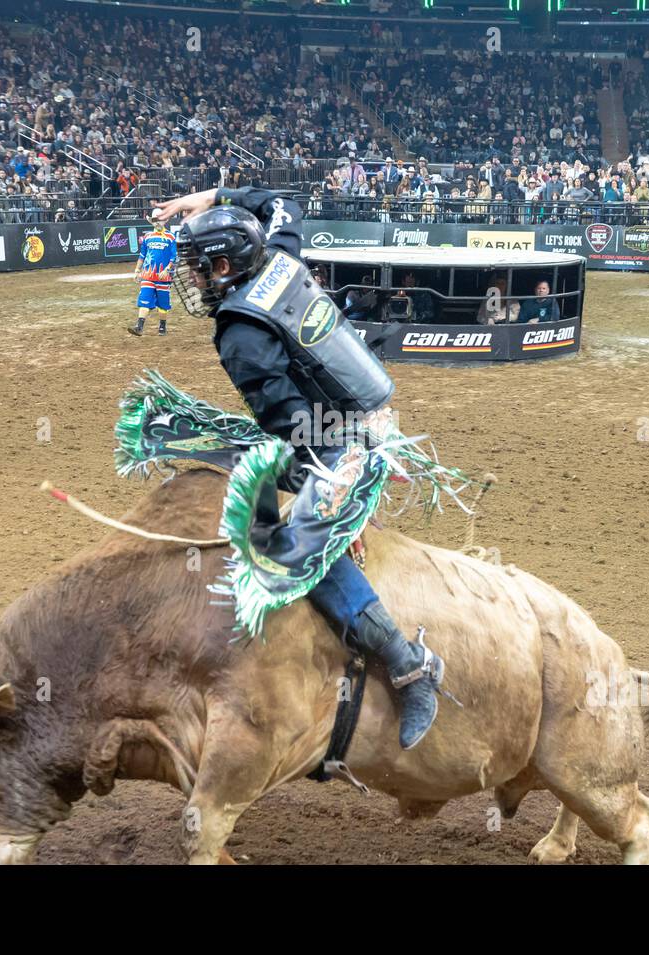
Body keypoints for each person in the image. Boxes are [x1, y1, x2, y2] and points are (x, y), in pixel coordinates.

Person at [150, 185, 447, 750]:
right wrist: (214, 198)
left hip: (340, 444)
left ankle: (408, 666)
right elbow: (283, 203)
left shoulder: (240, 334)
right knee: (209, 441)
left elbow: (288, 426)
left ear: (222, 265)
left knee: (287, 553)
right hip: (364, 414)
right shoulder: (281, 254)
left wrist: (334, 504)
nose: (188, 279)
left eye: (195, 268)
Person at [129, 221, 178, 336]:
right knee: (144, 301)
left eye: (159, 220)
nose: (157, 223)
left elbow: (173, 257)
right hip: (147, 276)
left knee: (163, 304)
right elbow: (142, 256)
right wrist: (137, 270)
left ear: (165, 220)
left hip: (164, 277)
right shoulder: (147, 237)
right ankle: (139, 327)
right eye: (155, 220)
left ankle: (162, 326)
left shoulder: (171, 237)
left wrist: (167, 270)